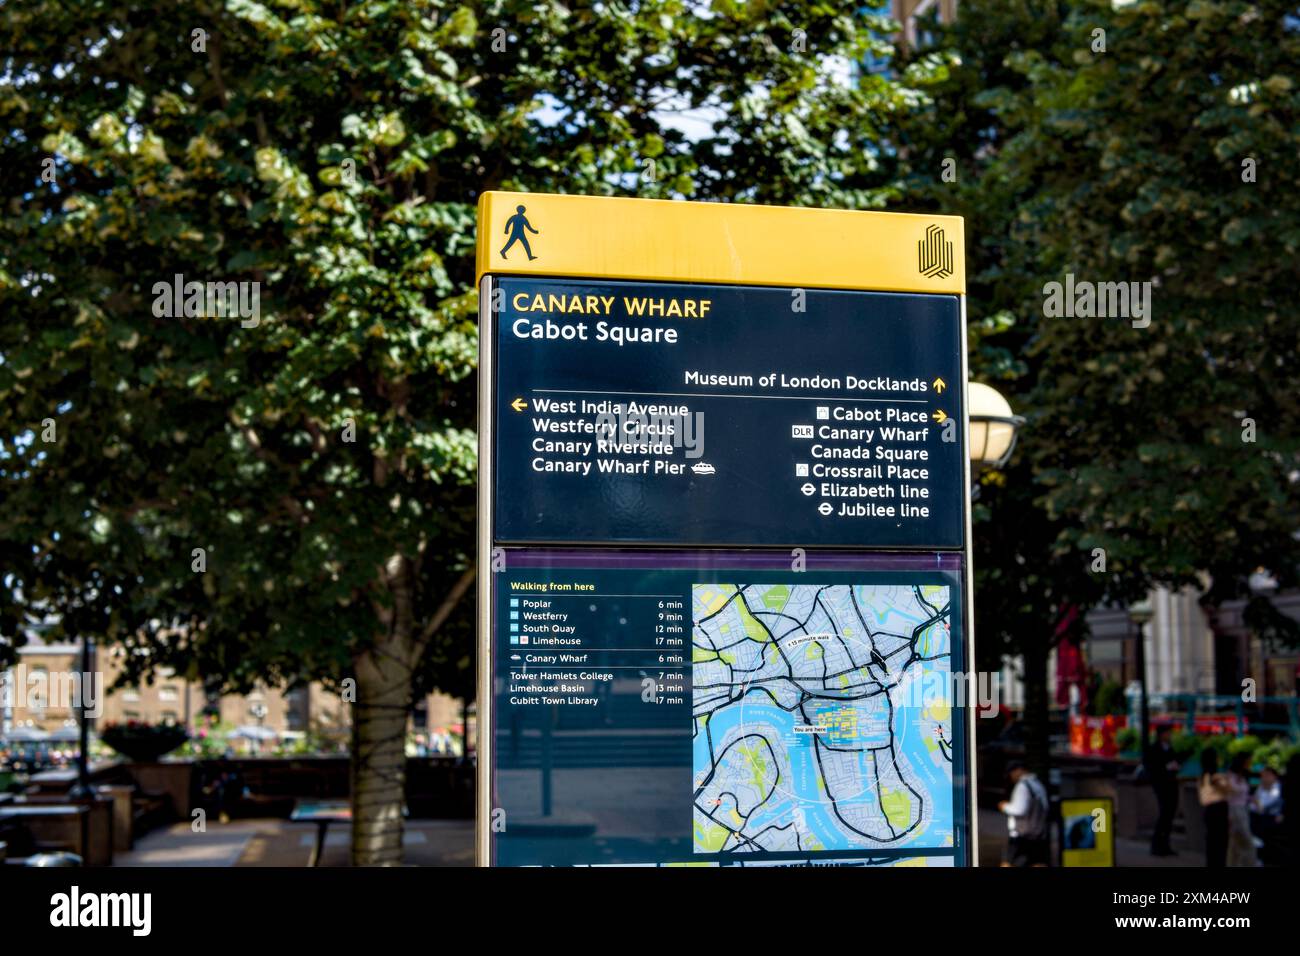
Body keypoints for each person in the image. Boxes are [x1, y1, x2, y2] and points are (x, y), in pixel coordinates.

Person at [999, 760, 1050, 866]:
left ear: (1019, 770)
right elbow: (1046, 807)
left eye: (1012, 772)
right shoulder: (1037, 784)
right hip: (1038, 833)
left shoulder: (1022, 786)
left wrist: (1004, 807)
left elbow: (1019, 809)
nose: (1011, 776)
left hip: (1021, 834)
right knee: (1037, 863)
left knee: (1008, 863)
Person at [1143, 725, 1181, 856]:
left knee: (1169, 816)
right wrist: (1165, 768)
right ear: (1161, 735)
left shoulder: (1170, 748)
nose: (1169, 736)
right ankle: (1157, 845)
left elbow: (1176, 760)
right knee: (1164, 815)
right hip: (1161, 785)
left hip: (1172, 785)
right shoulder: (1154, 749)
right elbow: (1151, 767)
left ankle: (1166, 845)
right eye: (1167, 733)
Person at [1225, 752, 1259, 866]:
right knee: (1245, 842)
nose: (1249, 764)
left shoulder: (1243, 776)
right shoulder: (1231, 776)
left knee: (1236, 843)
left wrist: (1252, 799)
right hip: (1235, 811)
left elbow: (1244, 794)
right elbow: (1231, 792)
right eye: (1248, 762)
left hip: (1243, 810)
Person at [1199, 748, 1230, 867]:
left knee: (1212, 843)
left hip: (1211, 812)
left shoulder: (1203, 775)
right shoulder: (1215, 776)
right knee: (1220, 844)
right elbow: (1228, 790)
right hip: (1218, 811)